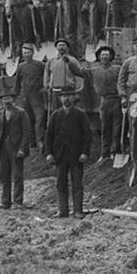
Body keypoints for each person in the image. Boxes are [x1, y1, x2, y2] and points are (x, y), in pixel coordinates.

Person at [46, 86, 92, 218]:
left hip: (76, 155)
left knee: (77, 183)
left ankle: (78, 210)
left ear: (74, 97)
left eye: (70, 96)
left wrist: (85, 152)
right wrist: (49, 153)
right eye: (64, 96)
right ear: (60, 98)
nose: (67, 99)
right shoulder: (55, 115)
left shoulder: (80, 114)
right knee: (61, 183)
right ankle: (63, 210)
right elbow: (49, 135)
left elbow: (87, 135)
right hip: (60, 155)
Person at [0, 86, 32, 208]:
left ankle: (18, 201)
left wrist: (22, 149)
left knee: (17, 175)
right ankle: (5, 202)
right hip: (3, 147)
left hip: (16, 147)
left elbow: (27, 132)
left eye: (8, 99)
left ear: (13, 100)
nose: (6, 101)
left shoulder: (21, 113)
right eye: (4, 99)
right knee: (4, 175)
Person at [89, 46, 122, 163]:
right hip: (104, 101)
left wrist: (123, 96)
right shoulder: (94, 70)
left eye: (107, 55)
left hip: (117, 100)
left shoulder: (118, 69)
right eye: (102, 55)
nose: (104, 57)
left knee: (117, 128)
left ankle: (115, 152)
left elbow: (123, 81)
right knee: (105, 127)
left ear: (111, 57)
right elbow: (79, 71)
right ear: (99, 57)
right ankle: (104, 153)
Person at [14, 43, 48, 153]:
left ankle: (40, 141)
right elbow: (17, 82)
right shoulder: (20, 66)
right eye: (24, 53)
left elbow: (47, 75)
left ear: (33, 53)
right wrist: (15, 95)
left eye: (28, 52)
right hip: (25, 96)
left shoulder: (40, 65)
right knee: (28, 119)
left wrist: (45, 87)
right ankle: (31, 142)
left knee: (40, 118)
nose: (26, 55)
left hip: (37, 95)